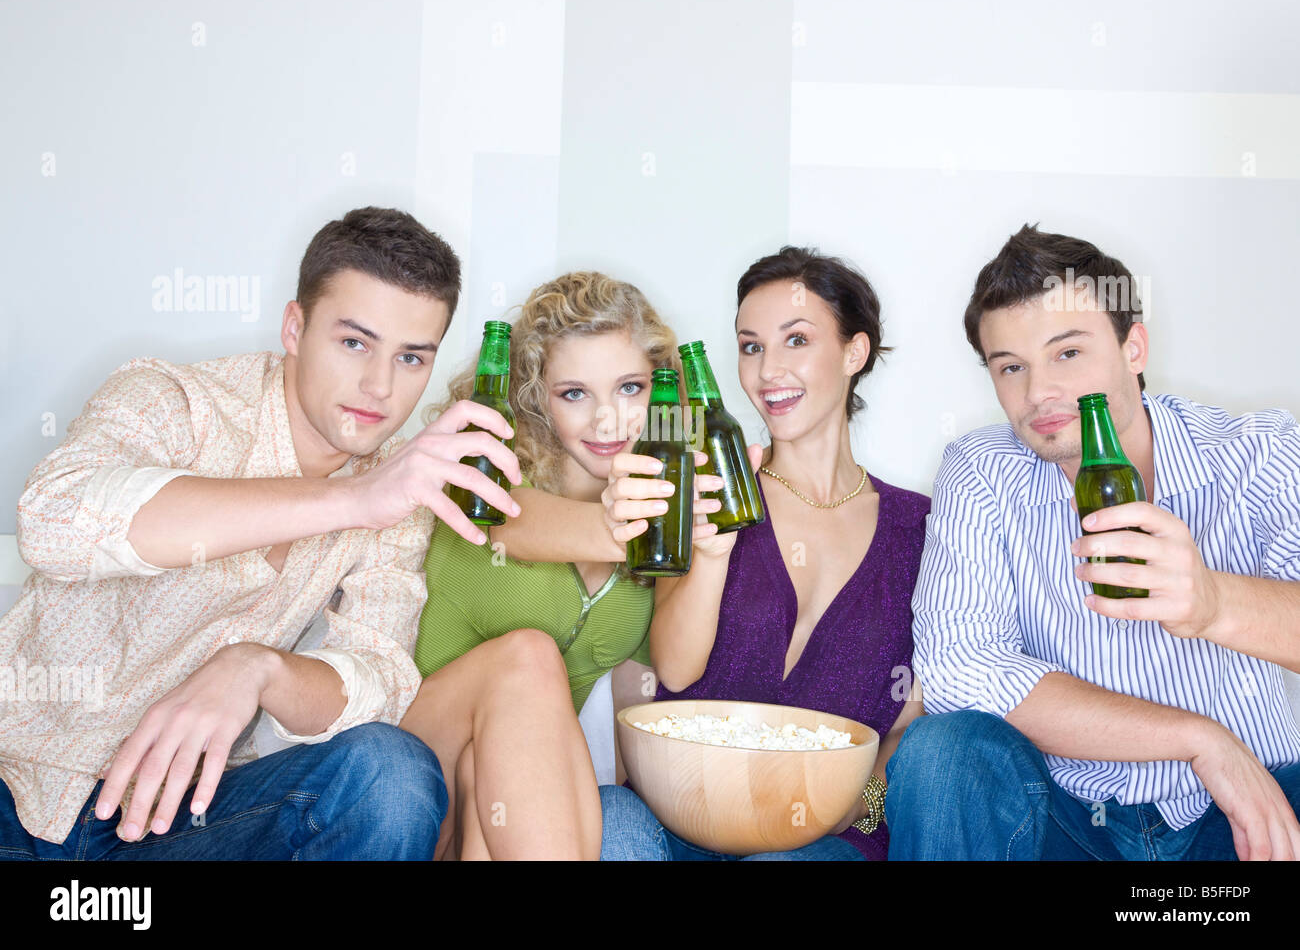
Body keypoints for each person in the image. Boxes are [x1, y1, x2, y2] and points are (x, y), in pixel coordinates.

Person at [0, 206, 530, 860]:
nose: (380, 386)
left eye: (412, 357)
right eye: (354, 342)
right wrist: (349, 500)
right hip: (20, 785)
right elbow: (52, 520)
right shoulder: (176, 401)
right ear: (294, 326)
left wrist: (260, 669)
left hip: (179, 821)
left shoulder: (396, 495)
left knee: (390, 776)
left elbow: (380, 678)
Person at [886, 224, 1300, 861]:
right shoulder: (981, 469)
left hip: (1249, 813)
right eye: (1011, 367)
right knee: (943, 752)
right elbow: (960, 670)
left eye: (1068, 353)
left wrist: (1216, 603)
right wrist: (1199, 739)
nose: (1038, 392)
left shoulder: (1261, 452)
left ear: (1133, 346)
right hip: (1067, 822)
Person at [598, 246, 929, 861]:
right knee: (609, 819)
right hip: (681, 818)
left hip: (819, 835)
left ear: (854, 353)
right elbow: (673, 670)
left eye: (795, 340)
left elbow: (912, 713)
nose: (767, 370)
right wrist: (713, 551)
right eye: (751, 347)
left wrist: (858, 806)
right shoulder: (706, 485)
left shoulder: (921, 526)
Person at [398, 271, 687, 859]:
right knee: (528, 657)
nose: (608, 421)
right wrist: (626, 527)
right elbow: (511, 520)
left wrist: (706, 548)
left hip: (506, 808)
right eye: (574, 393)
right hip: (416, 775)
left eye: (629, 388)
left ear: (657, 391)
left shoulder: (654, 531)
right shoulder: (487, 470)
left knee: (608, 812)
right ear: (536, 395)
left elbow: (651, 693)